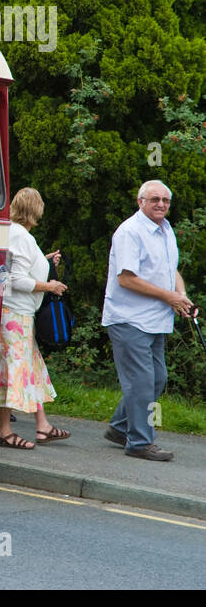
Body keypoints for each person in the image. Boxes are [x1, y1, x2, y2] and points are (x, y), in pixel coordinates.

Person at [101, 180, 195, 461]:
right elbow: (126, 278)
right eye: (154, 199)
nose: (161, 204)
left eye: (166, 200)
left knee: (157, 377)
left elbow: (170, 268)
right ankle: (140, 442)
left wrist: (181, 295)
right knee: (141, 380)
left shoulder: (165, 230)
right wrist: (169, 297)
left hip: (156, 319)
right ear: (140, 201)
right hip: (129, 318)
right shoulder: (130, 232)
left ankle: (120, 428)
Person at [0, 187, 69, 450]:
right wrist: (50, 286)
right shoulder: (23, 237)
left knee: (30, 368)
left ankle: (43, 425)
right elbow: (16, 280)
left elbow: (16, 269)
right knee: (13, 370)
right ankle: (3, 430)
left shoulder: (11, 232)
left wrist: (45, 260)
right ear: (36, 210)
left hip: (12, 312)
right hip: (17, 313)